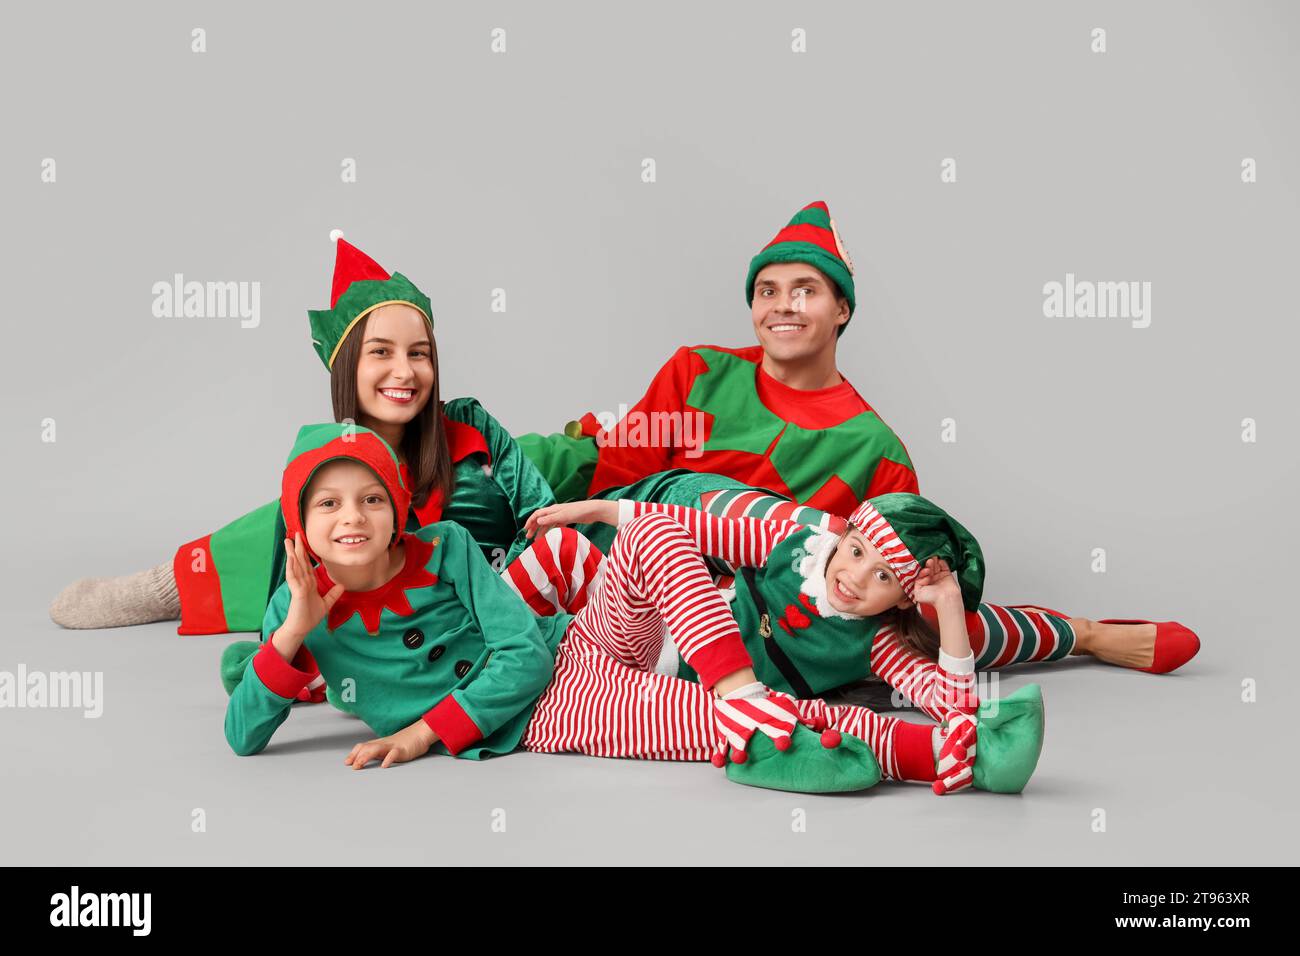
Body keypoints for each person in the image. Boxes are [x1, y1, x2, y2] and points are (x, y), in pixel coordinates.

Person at [516, 200, 1200, 676]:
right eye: (767, 291)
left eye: (805, 290)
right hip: (648, 562)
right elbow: (618, 472)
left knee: (919, 612)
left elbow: (890, 587)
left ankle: (1083, 633)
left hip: (773, 605)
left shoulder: (878, 450)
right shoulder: (697, 372)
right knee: (687, 501)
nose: (781, 306)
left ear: (841, 308)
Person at [224, 422, 1045, 796]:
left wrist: (419, 733)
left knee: (652, 528)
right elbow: (241, 735)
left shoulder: (446, 549)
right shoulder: (296, 609)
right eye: (327, 506)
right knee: (690, 715)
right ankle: (941, 756)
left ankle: (743, 706)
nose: (353, 520)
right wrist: (292, 634)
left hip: (566, 652)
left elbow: (523, 655)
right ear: (299, 522)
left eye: (370, 499)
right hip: (550, 716)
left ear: (398, 507)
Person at [50, 234, 555, 641]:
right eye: (381, 352)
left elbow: (544, 506)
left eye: (419, 353)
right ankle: (170, 584)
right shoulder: (334, 472)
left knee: (573, 457)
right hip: (443, 616)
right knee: (298, 510)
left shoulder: (471, 427)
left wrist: (510, 584)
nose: (404, 371)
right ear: (346, 364)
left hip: (536, 558)